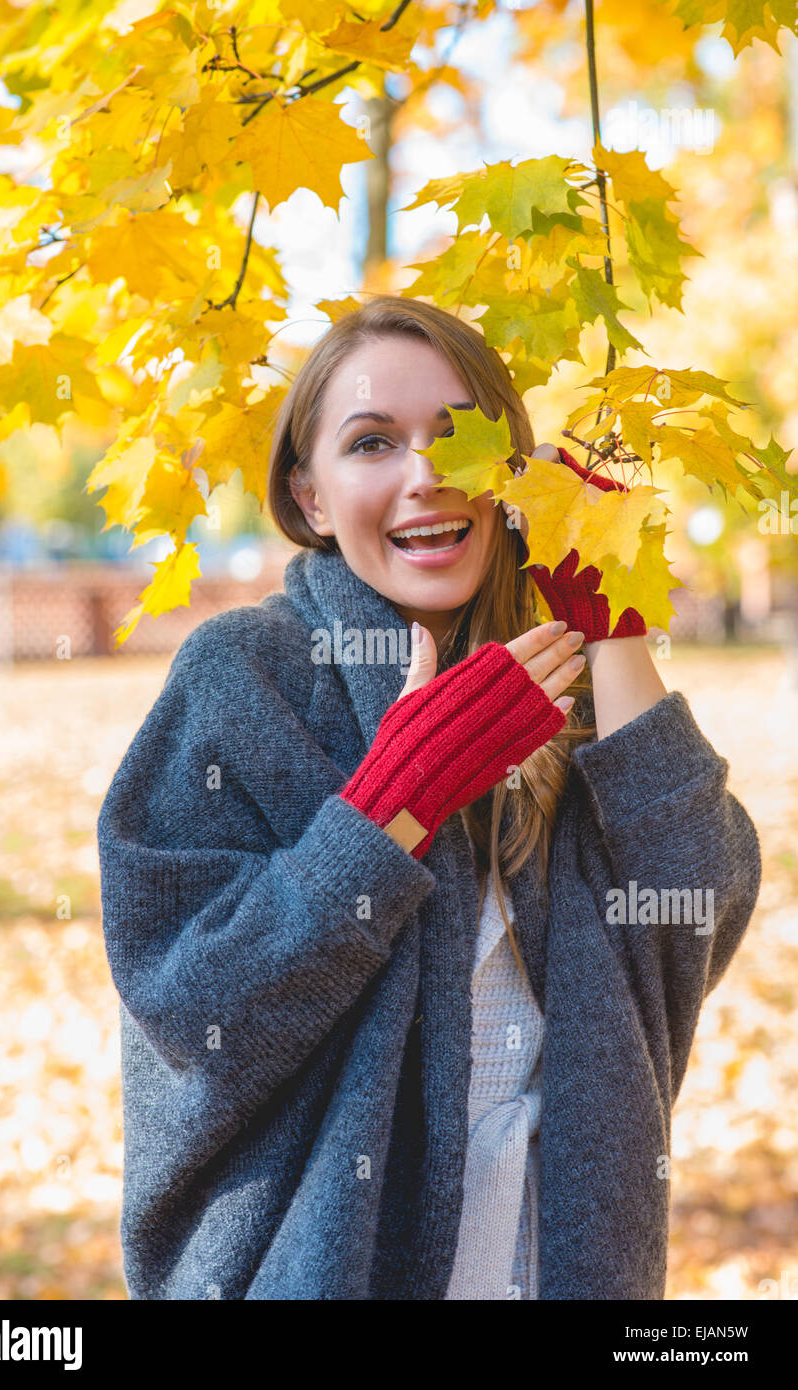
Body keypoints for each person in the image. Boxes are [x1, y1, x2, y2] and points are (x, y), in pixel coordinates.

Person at [97, 294, 762, 1300]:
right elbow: (192, 1013)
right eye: (372, 443)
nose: (424, 477)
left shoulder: (562, 679)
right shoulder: (245, 676)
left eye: (460, 438)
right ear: (310, 494)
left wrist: (619, 631)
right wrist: (383, 814)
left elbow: (697, 915)